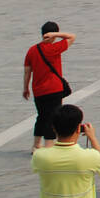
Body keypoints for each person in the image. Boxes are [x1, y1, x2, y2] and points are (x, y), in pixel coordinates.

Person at [23, 22, 77, 151]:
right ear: (52, 35)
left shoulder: (32, 50)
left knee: (41, 116)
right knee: (52, 118)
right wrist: (56, 34)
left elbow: (27, 71)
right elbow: (72, 37)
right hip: (54, 89)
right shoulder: (54, 48)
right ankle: (48, 147)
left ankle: (36, 145)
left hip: (38, 90)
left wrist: (25, 88)